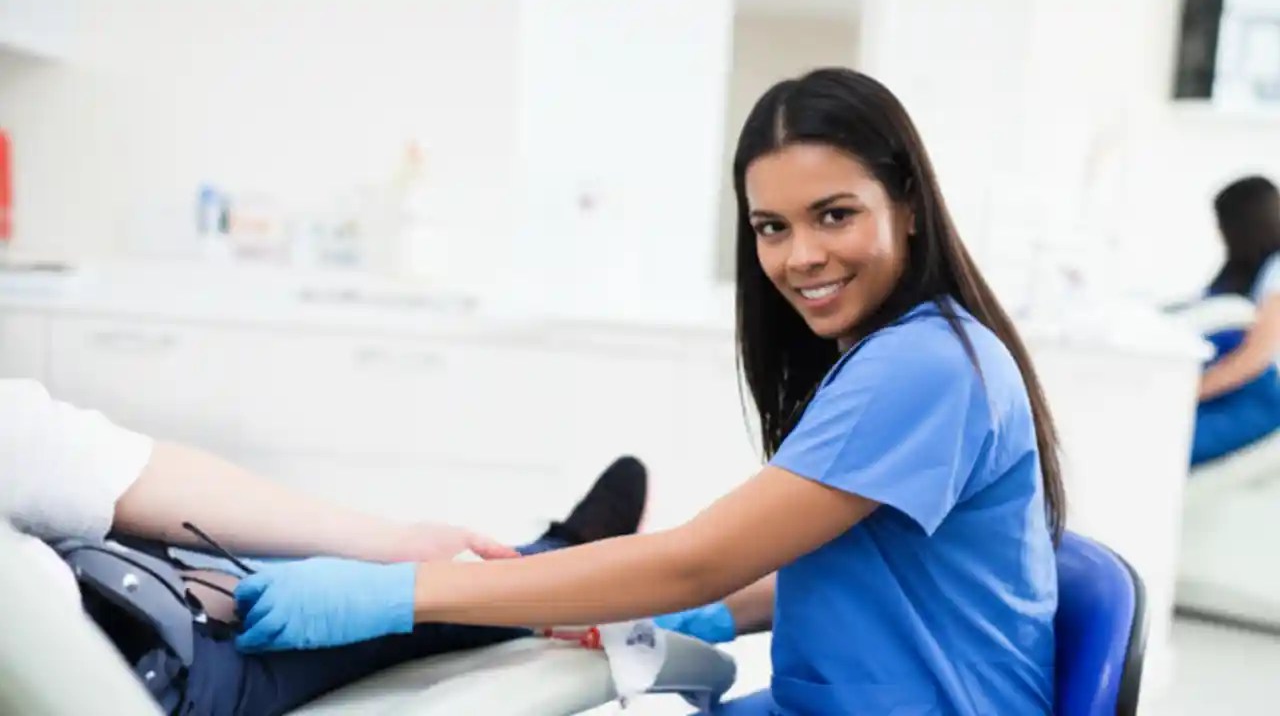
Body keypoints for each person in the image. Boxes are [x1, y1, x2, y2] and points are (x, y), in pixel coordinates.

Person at [230, 68, 1067, 715]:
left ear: (910, 205)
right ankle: (561, 553)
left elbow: (694, 560)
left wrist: (394, 597)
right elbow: (856, 566)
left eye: (834, 214)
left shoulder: (924, 366)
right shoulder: (907, 352)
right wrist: (702, 619)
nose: (801, 255)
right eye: (772, 228)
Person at [0, 377, 648, 716]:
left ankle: (558, 562)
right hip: (149, 667)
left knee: (267, 580)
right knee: (399, 614)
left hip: (112, 606)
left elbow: (106, 473)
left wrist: (388, 544)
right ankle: (560, 561)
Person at [1192, 175, 1280, 465]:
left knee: (1172, 439)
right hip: (1232, 385)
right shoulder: (1241, 271)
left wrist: (1191, 390)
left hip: (1256, 395)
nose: (1218, 233)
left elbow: (1256, 356)